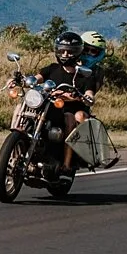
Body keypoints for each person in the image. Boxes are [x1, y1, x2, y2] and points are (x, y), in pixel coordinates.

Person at [30, 30, 101, 174]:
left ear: (77, 53)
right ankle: (14, 147)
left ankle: (67, 164)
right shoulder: (52, 68)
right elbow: (37, 78)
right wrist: (21, 80)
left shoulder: (85, 74)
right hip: (51, 107)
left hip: (70, 109)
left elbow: (89, 93)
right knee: (24, 106)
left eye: (69, 52)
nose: (65, 55)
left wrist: (87, 97)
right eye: (61, 51)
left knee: (70, 118)